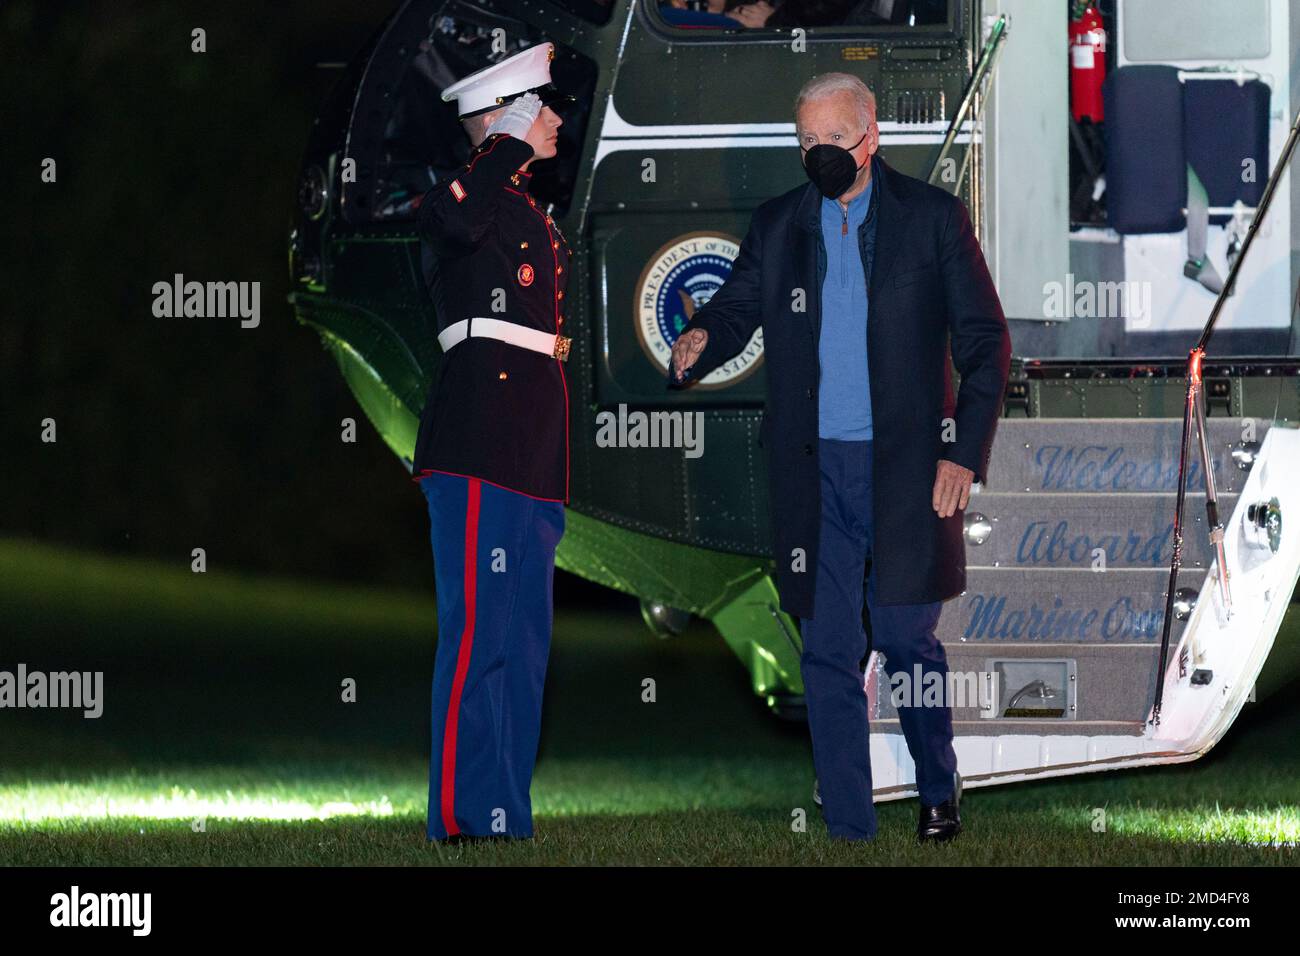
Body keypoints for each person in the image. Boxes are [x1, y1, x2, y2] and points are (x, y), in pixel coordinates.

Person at [669, 72, 1010, 842]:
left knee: (903, 640)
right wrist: (701, 338)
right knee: (825, 650)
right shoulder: (781, 224)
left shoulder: (932, 219)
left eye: (832, 140)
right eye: (806, 144)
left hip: (908, 471)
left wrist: (961, 452)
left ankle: (936, 786)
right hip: (814, 471)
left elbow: (986, 343)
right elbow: (734, 307)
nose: (819, 154)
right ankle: (851, 826)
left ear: (871, 137)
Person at [409, 42, 575, 842]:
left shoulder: (529, 212)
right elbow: (450, 216)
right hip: (478, 437)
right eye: (538, 107)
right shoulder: (458, 201)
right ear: (504, 116)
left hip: (532, 445)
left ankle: (504, 812)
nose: (554, 120)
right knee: (478, 634)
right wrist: (503, 144)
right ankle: (460, 817)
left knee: (522, 644)